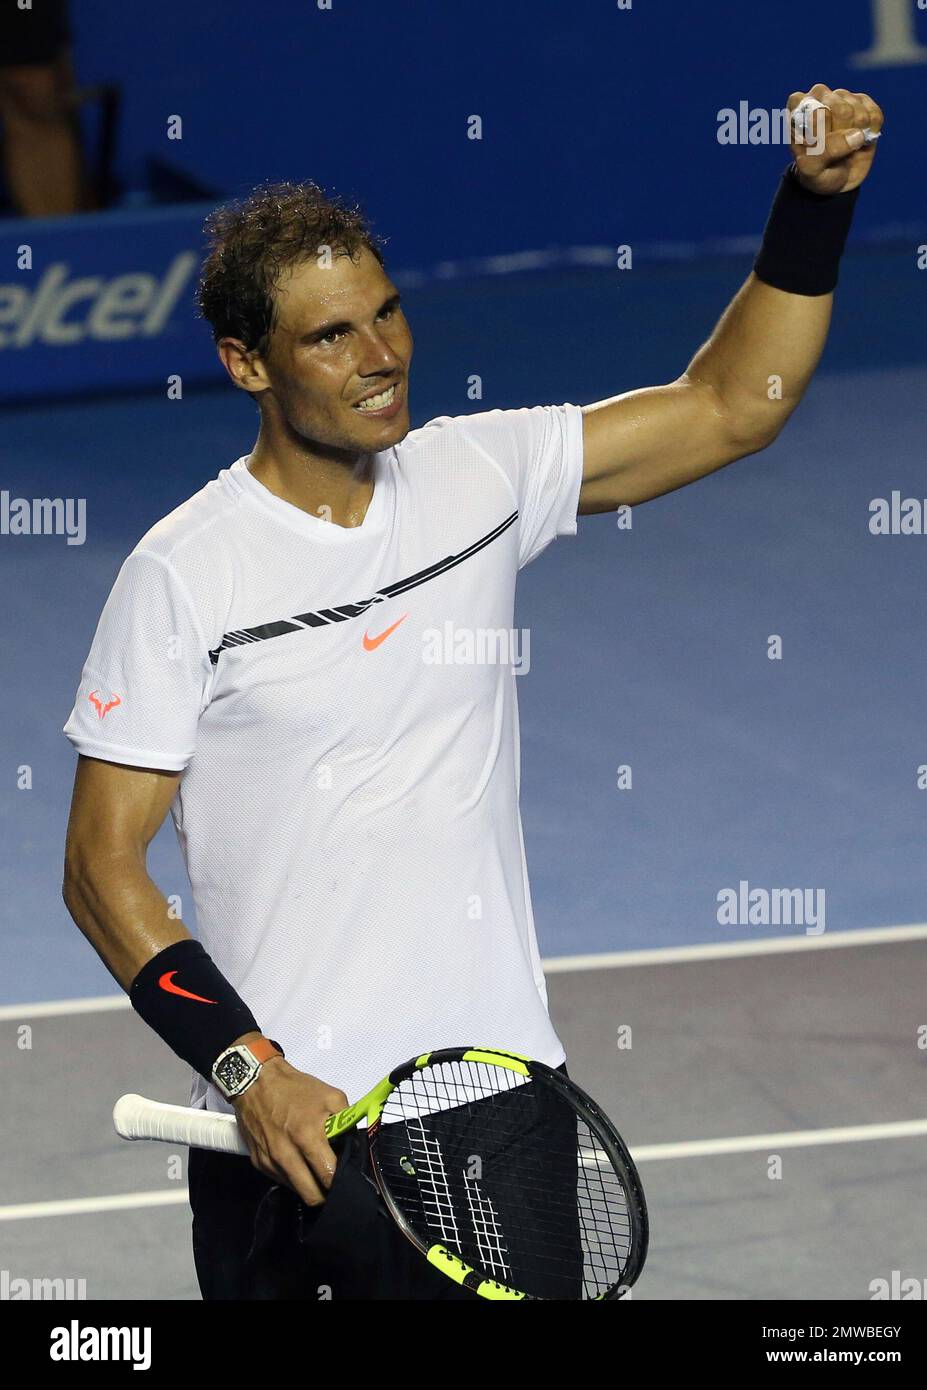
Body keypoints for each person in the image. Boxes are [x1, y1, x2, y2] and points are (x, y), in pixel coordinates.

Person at [62, 84, 882, 1299]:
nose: (383, 353)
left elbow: (726, 412)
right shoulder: (184, 575)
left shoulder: (477, 475)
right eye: (331, 335)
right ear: (245, 364)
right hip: (288, 1128)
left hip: (496, 1102)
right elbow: (100, 867)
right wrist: (247, 1067)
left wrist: (810, 209)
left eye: (386, 312)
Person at [0, 0, 85, 216]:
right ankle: (56, 230)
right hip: (29, 38)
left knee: (21, 128)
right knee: (40, 126)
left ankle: (46, 229)